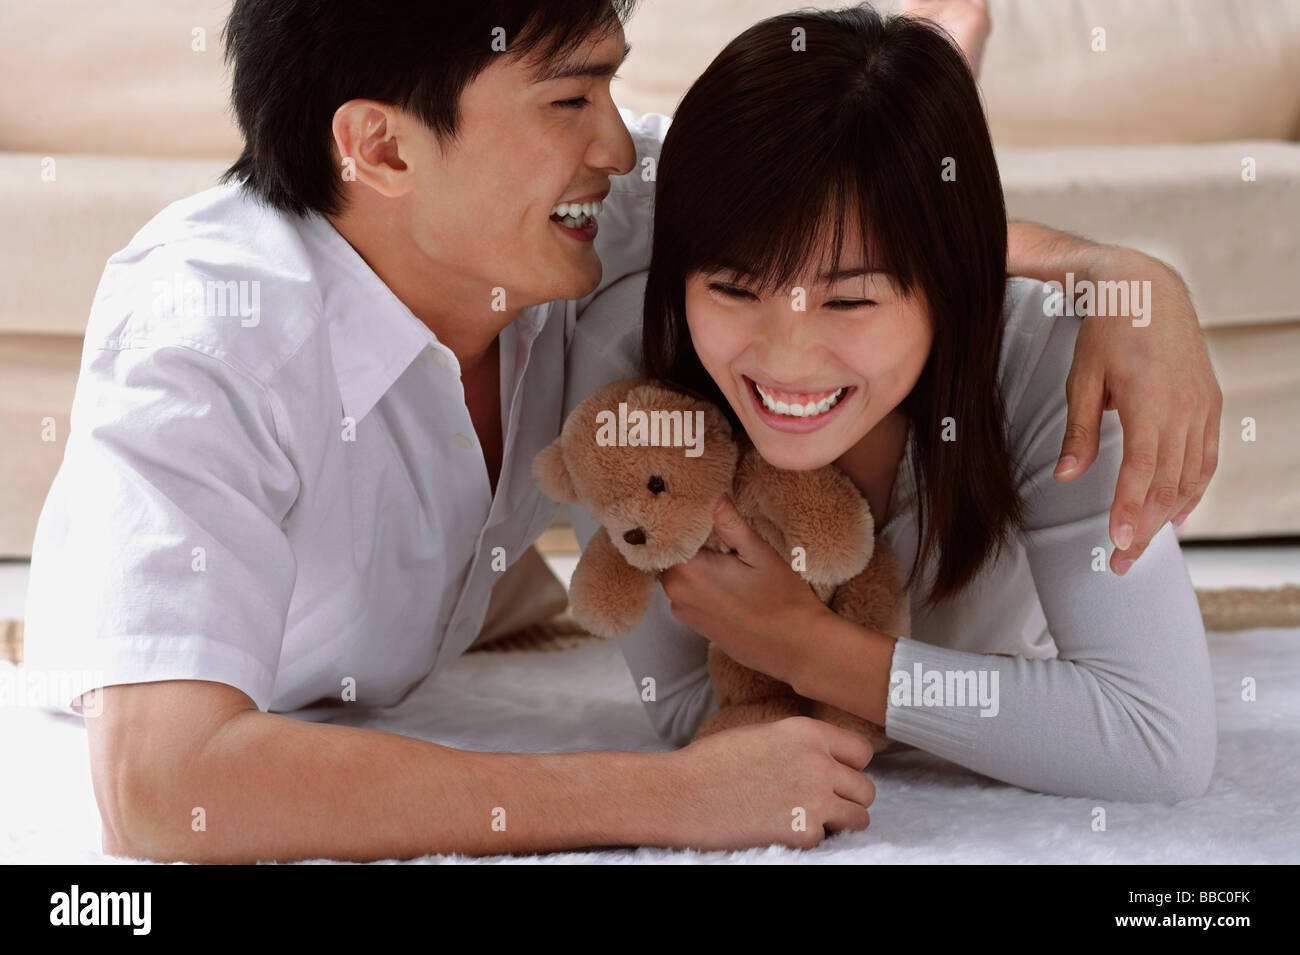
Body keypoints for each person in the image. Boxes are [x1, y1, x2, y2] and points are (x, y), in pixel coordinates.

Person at [23, 0, 1219, 862]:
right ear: (382, 147)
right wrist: (668, 797)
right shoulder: (208, 328)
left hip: (459, 602)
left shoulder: (572, 219)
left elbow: (851, 214)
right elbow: (164, 794)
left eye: (610, 87)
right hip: (264, 665)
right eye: (570, 99)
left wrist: (1126, 277)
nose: (618, 140)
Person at [567, 4, 1214, 801]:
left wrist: (809, 647)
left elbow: (1157, 740)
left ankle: (948, 38)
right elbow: (691, 708)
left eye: (850, 303)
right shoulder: (630, 376)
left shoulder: (1055, 362)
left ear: (951, 291)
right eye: (734, 289)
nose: (784, 357)